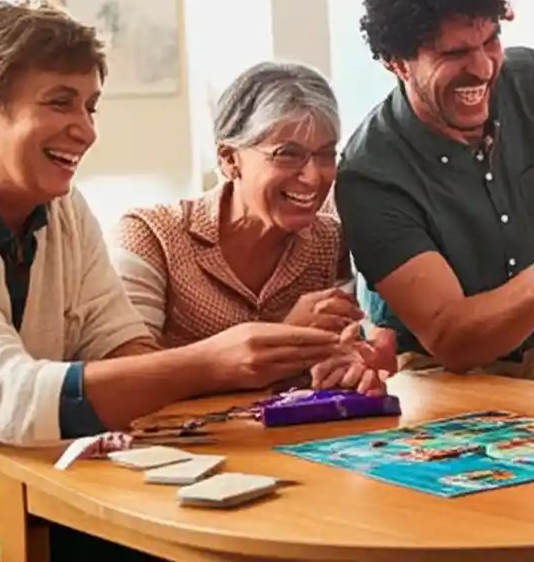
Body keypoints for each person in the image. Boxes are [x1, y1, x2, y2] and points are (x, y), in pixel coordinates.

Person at [0, 0, 356, 561]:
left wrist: (270, 363)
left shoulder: (65, 210)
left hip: (4, 470)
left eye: (91, 106)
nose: (86, 131)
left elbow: (124, 348)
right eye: (59, 103)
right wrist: (212, 361)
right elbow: (11, 398)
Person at [336, 0, 534, 380]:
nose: (484, 68)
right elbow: (453, 338)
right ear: (398, 63)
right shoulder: (370, 176)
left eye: (490, 41)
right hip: (440, 374)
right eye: (454, 54)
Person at [111, 61, 396, 392]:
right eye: (288, 155)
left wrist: (349, 367)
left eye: (325, 155)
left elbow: (324, 369)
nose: (313, 177)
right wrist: (283, 335)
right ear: (229, 159)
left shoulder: (330, 241)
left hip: (275, 440)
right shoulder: (150, 236)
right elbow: (124, 380)